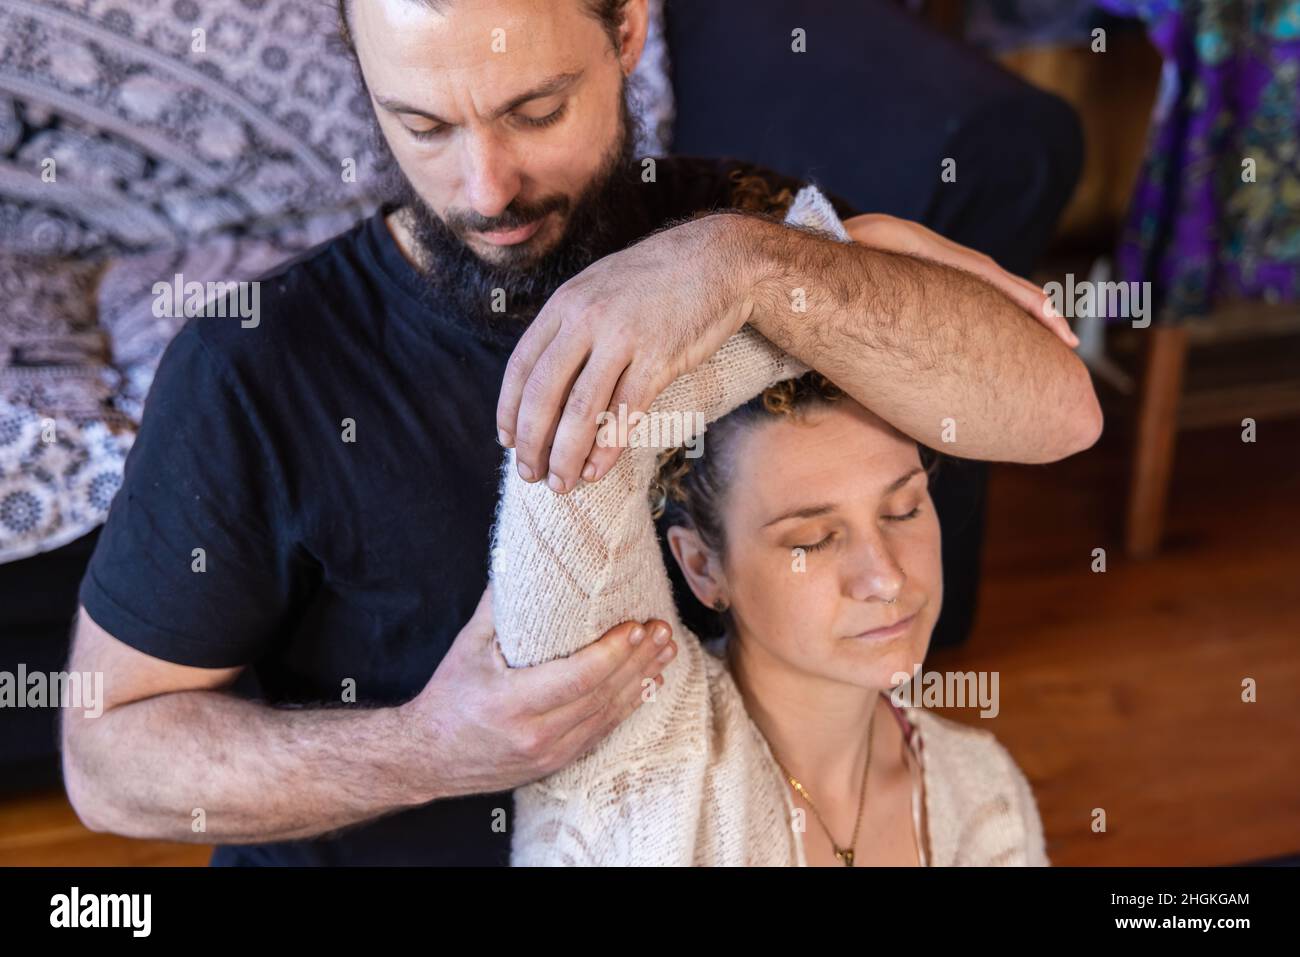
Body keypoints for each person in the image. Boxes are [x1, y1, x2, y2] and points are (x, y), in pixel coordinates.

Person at [60, 0, 1097, 865]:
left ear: (628, 33)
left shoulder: (746, 235)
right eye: (422, 127)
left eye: (536, 111)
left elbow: (1057, 413)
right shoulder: (260, 366)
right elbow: (110, 764)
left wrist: (755, 266)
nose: (485, 189)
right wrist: (430, 748)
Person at [490, 185, 1048, 865]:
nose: (887, 575)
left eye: (903, 508)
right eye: (812, 538)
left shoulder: (985, 792)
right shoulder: (632, 754)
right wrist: (796, 263)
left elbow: (1072, 414)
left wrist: (812, 282)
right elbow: (570, 468)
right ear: (702, 566)